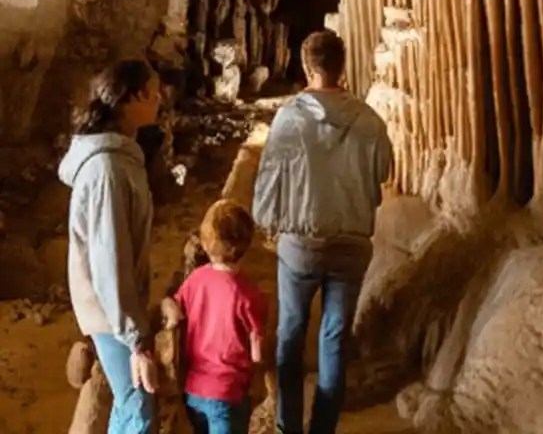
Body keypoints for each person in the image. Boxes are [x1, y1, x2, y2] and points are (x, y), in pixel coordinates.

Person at [252, 30, 393, 434]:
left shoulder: (290, 117)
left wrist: (266, 221)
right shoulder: (369, 120)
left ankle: (287, 427)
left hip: (301, 244)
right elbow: (383, 172)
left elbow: (269, 177)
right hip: (351, 245)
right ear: (342, 66)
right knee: (334, 340)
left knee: (291, 336)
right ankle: (322, 429)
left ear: (306, 66)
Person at [59, 59, 163, 433]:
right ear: (133, 97)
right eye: (152, 92)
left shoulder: (119, 159)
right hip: (110, 311)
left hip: (111, 308)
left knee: (130, 403)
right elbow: (110, 260)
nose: (159, 99)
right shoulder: (107, 170)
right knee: (139, 408)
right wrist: (136, 340)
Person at [165, 199, 268, 434]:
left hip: (193, 391)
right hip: (228, 393)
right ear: (242, 246)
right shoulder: (248, 294)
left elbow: (173, 305)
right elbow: (257, 350)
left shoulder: (195, 280)